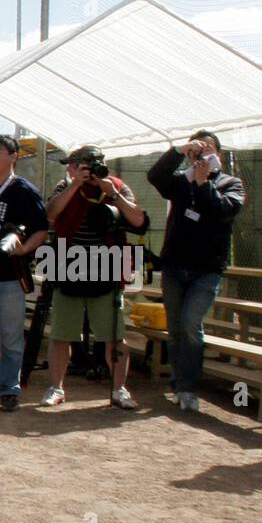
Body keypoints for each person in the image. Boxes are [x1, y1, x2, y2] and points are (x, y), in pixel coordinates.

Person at [40, 145, 149, 409]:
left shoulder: (116, 186)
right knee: (62, 333)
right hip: (68, 264)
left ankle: (119, 389)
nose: (73, 169)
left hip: (108, 267)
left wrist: (112, 193)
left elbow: (138, 221)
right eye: (74, 167)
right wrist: (75, 185)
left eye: (78, 165)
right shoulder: (65, 184)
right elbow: (50, 214)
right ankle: (56, 388)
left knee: (114, 335)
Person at [148, 131, 245, 412]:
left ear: (219, 152)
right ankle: (179, 383)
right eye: (198, 149)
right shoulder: (181, 181)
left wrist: (204, 184)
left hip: (207, 270)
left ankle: (188, 388)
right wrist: (179, 151)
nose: (202, 154)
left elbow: (224, 211)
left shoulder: (231, 183)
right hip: (175, 265)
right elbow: (156, 177)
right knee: (176, 327)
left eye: (208, 148)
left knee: (191, 324)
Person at [0, 135, 48, 412]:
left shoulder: (24, 190)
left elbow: (41, 229)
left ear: (13, 156)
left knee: (11, 335)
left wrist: (23, 250)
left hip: (10, 275)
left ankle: (9, 387)